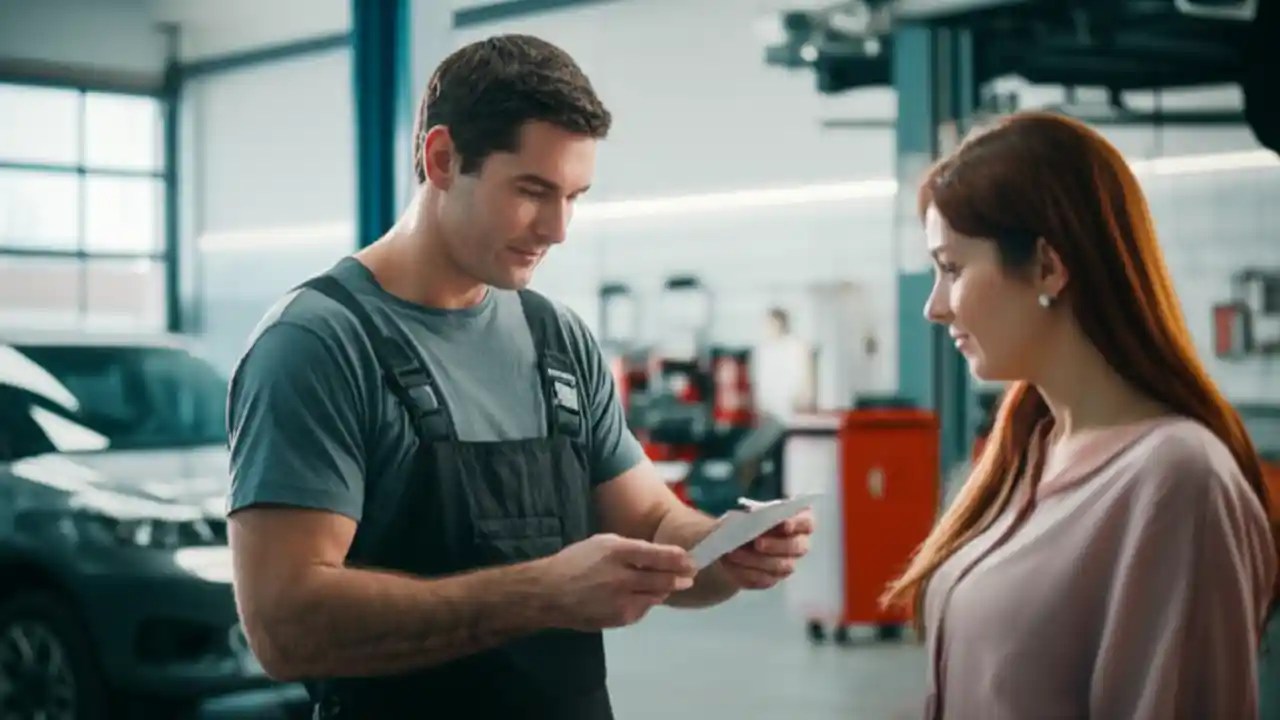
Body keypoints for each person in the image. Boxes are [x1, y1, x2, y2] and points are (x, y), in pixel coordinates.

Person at [224, 34, 814, 719]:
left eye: (574, 196)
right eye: (533, 191)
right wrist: (541, 593)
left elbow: (653, 521)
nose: (558, 229)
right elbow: (285, 626)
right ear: (442, 159)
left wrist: (722, 553)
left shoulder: (557, 340)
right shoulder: (318, 346)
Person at [880, 111, 1279, 719]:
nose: (934, 307)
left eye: (953, 268)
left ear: (1048, 266)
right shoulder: (1030, 452)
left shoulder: (1176, 481)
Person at [750, 307, 815, 421]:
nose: (767, 328)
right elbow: (758, 381)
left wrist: (804, 399)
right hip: (768, 411)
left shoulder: (797, 346)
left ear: (781, 324)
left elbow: (806, 379)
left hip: (793, 409)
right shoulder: (763, 349)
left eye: (771, 324)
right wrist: (758, 405)